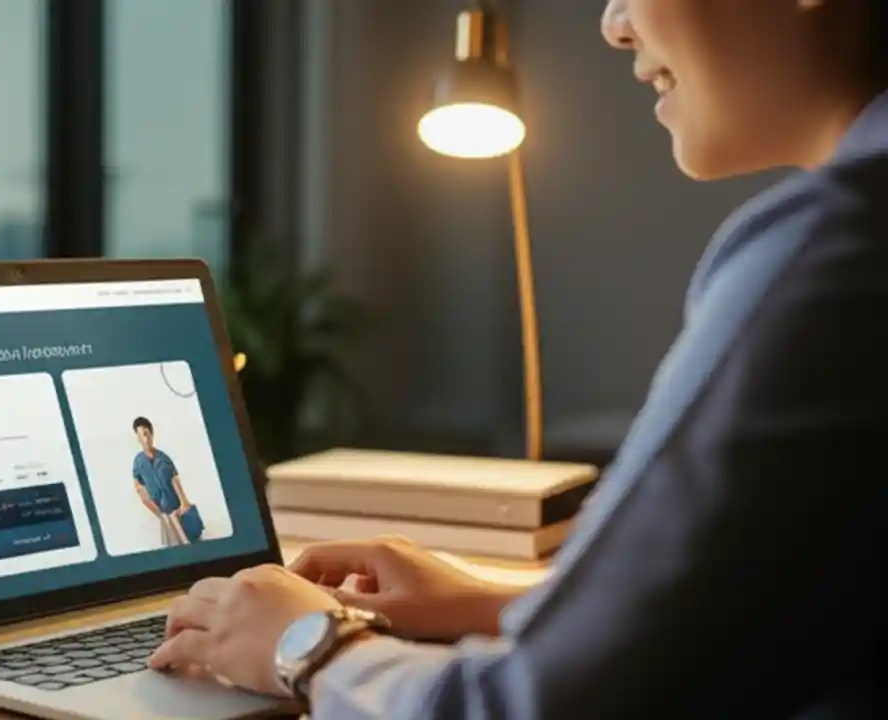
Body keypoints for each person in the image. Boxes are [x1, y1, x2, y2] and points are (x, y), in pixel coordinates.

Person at [147, 0, 888, 716]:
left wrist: (309, 647)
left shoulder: (836, 250)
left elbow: (526, 710)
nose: (614, 24)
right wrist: (505, 605)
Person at [131, 416, 193, 548]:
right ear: (137, 438)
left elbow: (175, 480)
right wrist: (151, 504)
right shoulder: (138, 461)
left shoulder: (163, 458)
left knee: (183, 538)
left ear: (152, 434)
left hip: (173, 506)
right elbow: (138, 484)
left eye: (147, 434)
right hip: (158, 508)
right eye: (141, 436)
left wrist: (184, 501)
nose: (145, 439)